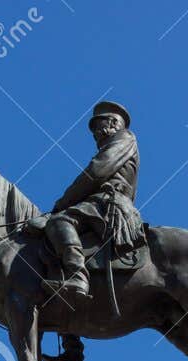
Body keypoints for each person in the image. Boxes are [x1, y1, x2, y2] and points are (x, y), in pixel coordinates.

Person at [38, 101, 141, 301]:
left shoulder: (124, 138)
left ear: (113, 122)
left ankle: (78, 278)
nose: (94, 133)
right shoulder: (118, 142)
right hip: (102, 202)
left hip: (109, 203)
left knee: (60, 221)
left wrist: (61, 205)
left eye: (97, 125)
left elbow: (96, 172)